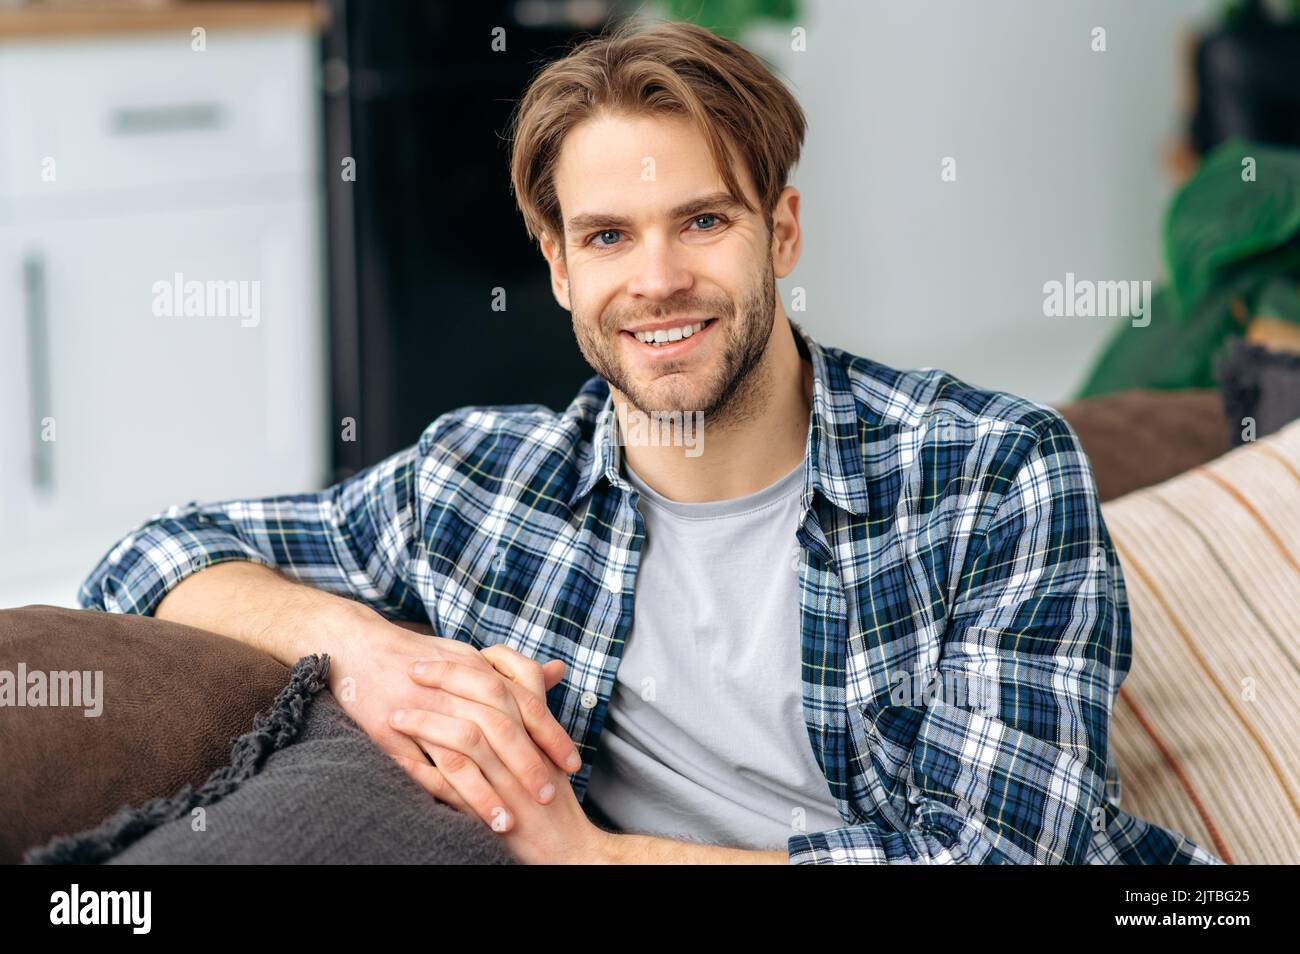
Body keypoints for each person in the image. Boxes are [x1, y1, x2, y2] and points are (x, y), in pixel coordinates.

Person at [79, 18, 1221, 865]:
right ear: (560, 266)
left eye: (704, 221)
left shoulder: (992, 474)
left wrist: (592, 857)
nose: (659, 278)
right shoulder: (481, 483)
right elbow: (150, 558)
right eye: (609, 236)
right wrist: (368, 653)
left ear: (781, 230)